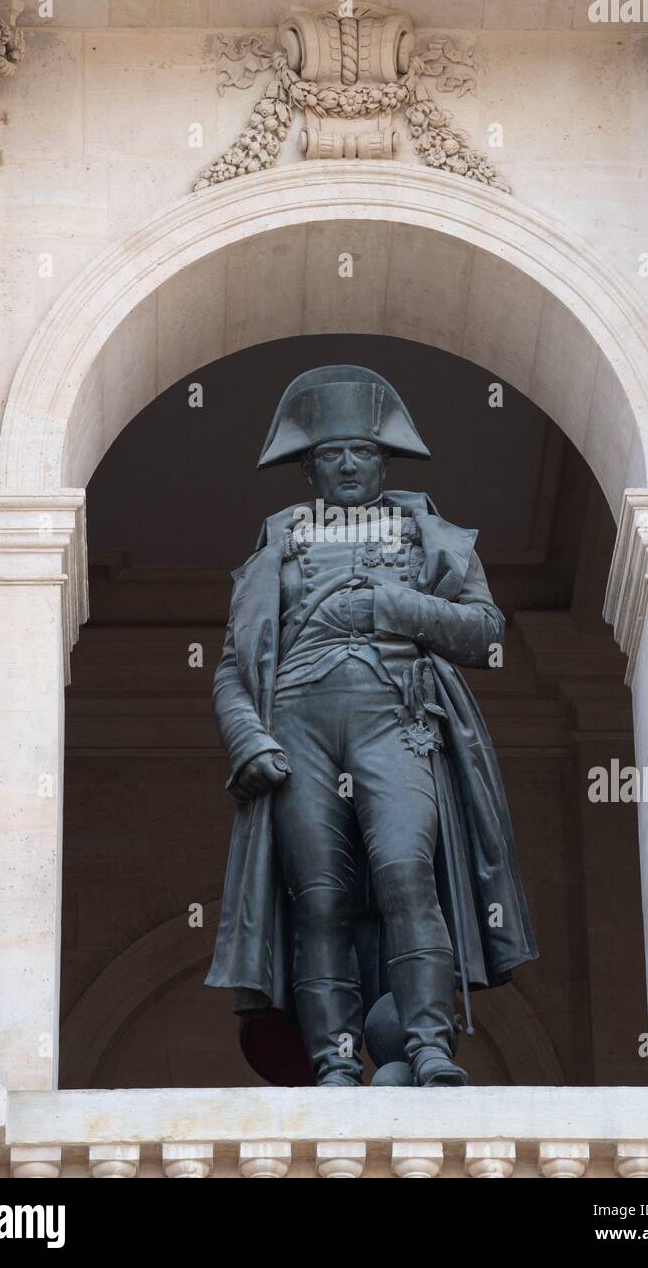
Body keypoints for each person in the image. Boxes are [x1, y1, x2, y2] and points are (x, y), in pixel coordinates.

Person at [206, 365, 537, 1086]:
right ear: (308, 467)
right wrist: (248, 738)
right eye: (331, 454)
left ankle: (426, 1047)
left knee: (406, 873)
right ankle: (333, 1060)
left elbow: (485, 633)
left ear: (385, 459)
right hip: (297, 727)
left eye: (361, 450)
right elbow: (234, 664)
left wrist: (389, 607)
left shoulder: (432, 535)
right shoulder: (276, 545)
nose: (348, 464)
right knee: (318, 895)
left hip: (398, 720)